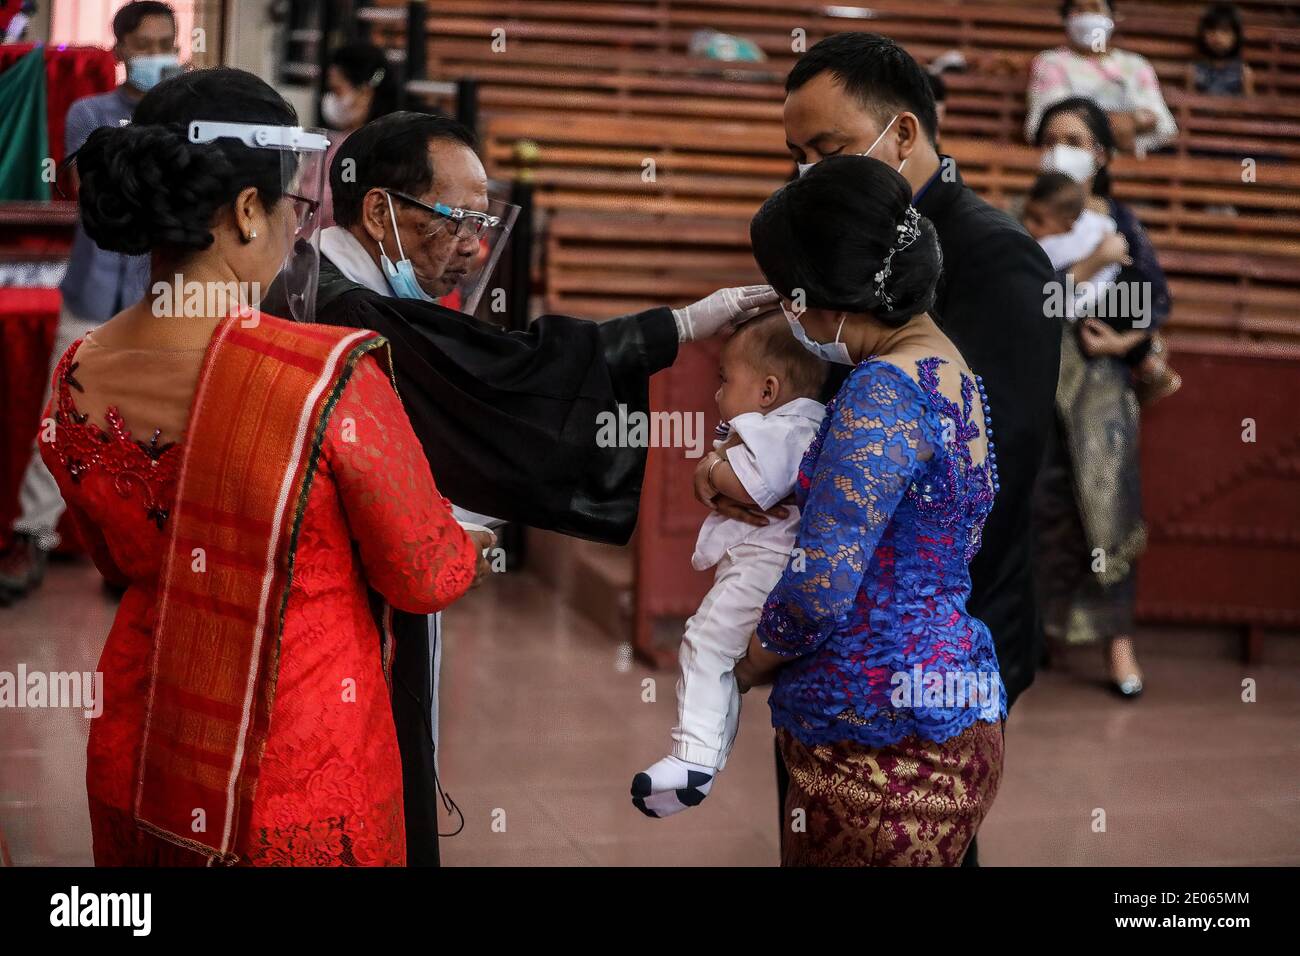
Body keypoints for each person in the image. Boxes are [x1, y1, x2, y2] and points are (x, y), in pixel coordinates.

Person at [276, 109, 777, 863]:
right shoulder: (349, 310)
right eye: (455, 222)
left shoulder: (334, 281)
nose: (473, 249)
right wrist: (677, 327)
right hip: (341, 614)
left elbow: (487, 368)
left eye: (482, 223)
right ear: (379, 209)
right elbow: (513, 379)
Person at [38, 66, 487, 866]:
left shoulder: (79, 368)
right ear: (248, 211)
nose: (296, 228)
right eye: (294, 207)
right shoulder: (326, 374)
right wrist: (472, 544)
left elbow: (116, 556)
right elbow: (424, 575)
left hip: (146, 747)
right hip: (294, 763)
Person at [774, 32, 1059, 864]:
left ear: (901, 134)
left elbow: (994, 473)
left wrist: (858, 607)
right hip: (836, 635)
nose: (809, 174)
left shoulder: (996, 257)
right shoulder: (840, 235)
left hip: (926, 649)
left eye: (827, 150)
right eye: (797, 157)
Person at [734, 155, 1005, 866]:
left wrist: (745, 661)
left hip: (877, 730)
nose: (785, 310)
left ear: (831, 297)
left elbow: (820, 590)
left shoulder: (880, 391)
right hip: (949, 700)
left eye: (788, 292)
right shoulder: (950, 368)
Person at [0, 0, 177, 603]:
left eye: (166, 42)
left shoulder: (185, 117)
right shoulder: (89, 112)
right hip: (94, 289)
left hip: (161, 296)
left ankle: (134, 553)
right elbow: (89, 187)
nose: (158, 55)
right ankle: (32, 535)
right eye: (146, 44)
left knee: (154, 428)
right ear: (121, 49)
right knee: (61, 418)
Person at [631, 311, 826, 817]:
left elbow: (752, 489)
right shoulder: (787, 423)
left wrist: (714, 464)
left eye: (724, 379)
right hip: (761, 563)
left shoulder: (784, 428)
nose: (717, 393)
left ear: (767, 389)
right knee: (718, 657)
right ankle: (704, 757)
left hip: (765, 565)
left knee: (705, 644)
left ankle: (693, 756)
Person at [1032, 95, 1173, 698]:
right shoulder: (1028, 215)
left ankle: (1119, 648)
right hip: (1039, 386)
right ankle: (1034, 638)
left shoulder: (1122, 219)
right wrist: (1090, 265)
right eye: (1053, 138)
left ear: (1103, 154)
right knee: (1038, 512)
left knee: (1110, 508)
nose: (1063, 150)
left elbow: (1153, 298)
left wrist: (1123, 341)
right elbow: (1030, 301)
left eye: (1077, 139)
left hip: (1101, 391)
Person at [1022, 170, 1180, 401]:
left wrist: (1122, 343)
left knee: (1103, 324)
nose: (1029, 225)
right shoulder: (1096, 222)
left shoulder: (1052, 245)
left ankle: (1151, 366)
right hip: (1116, 295)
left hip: (1109, 297)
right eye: (1027, 216)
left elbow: (1044, 297)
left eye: (1037, 221)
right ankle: (1152, 366)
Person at [1025, 1, 1178, 155]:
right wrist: (1114, 123)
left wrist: (1133, 124)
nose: (1087, 16)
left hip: (1129, 160)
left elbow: (1164, 126)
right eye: (1079, 9)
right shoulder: (1051, 62)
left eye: (1095, 8)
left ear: (1113, 18)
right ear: (1065, 19)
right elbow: (1043, 123)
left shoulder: (1136, 65)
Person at [318, 41, 400, 226]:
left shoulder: (374, 151)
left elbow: (337, 208)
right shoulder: (336, 141)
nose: (330, 99)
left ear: (365, 93)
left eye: (337, 91)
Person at [1194, 2, 1254, 96]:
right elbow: (1187, 106)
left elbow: (1250, 107)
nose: (1217, 37)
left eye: (1225, 31)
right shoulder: (1195, 72)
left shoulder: (1243, 73)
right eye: (1211, 30)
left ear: (1236, 36)